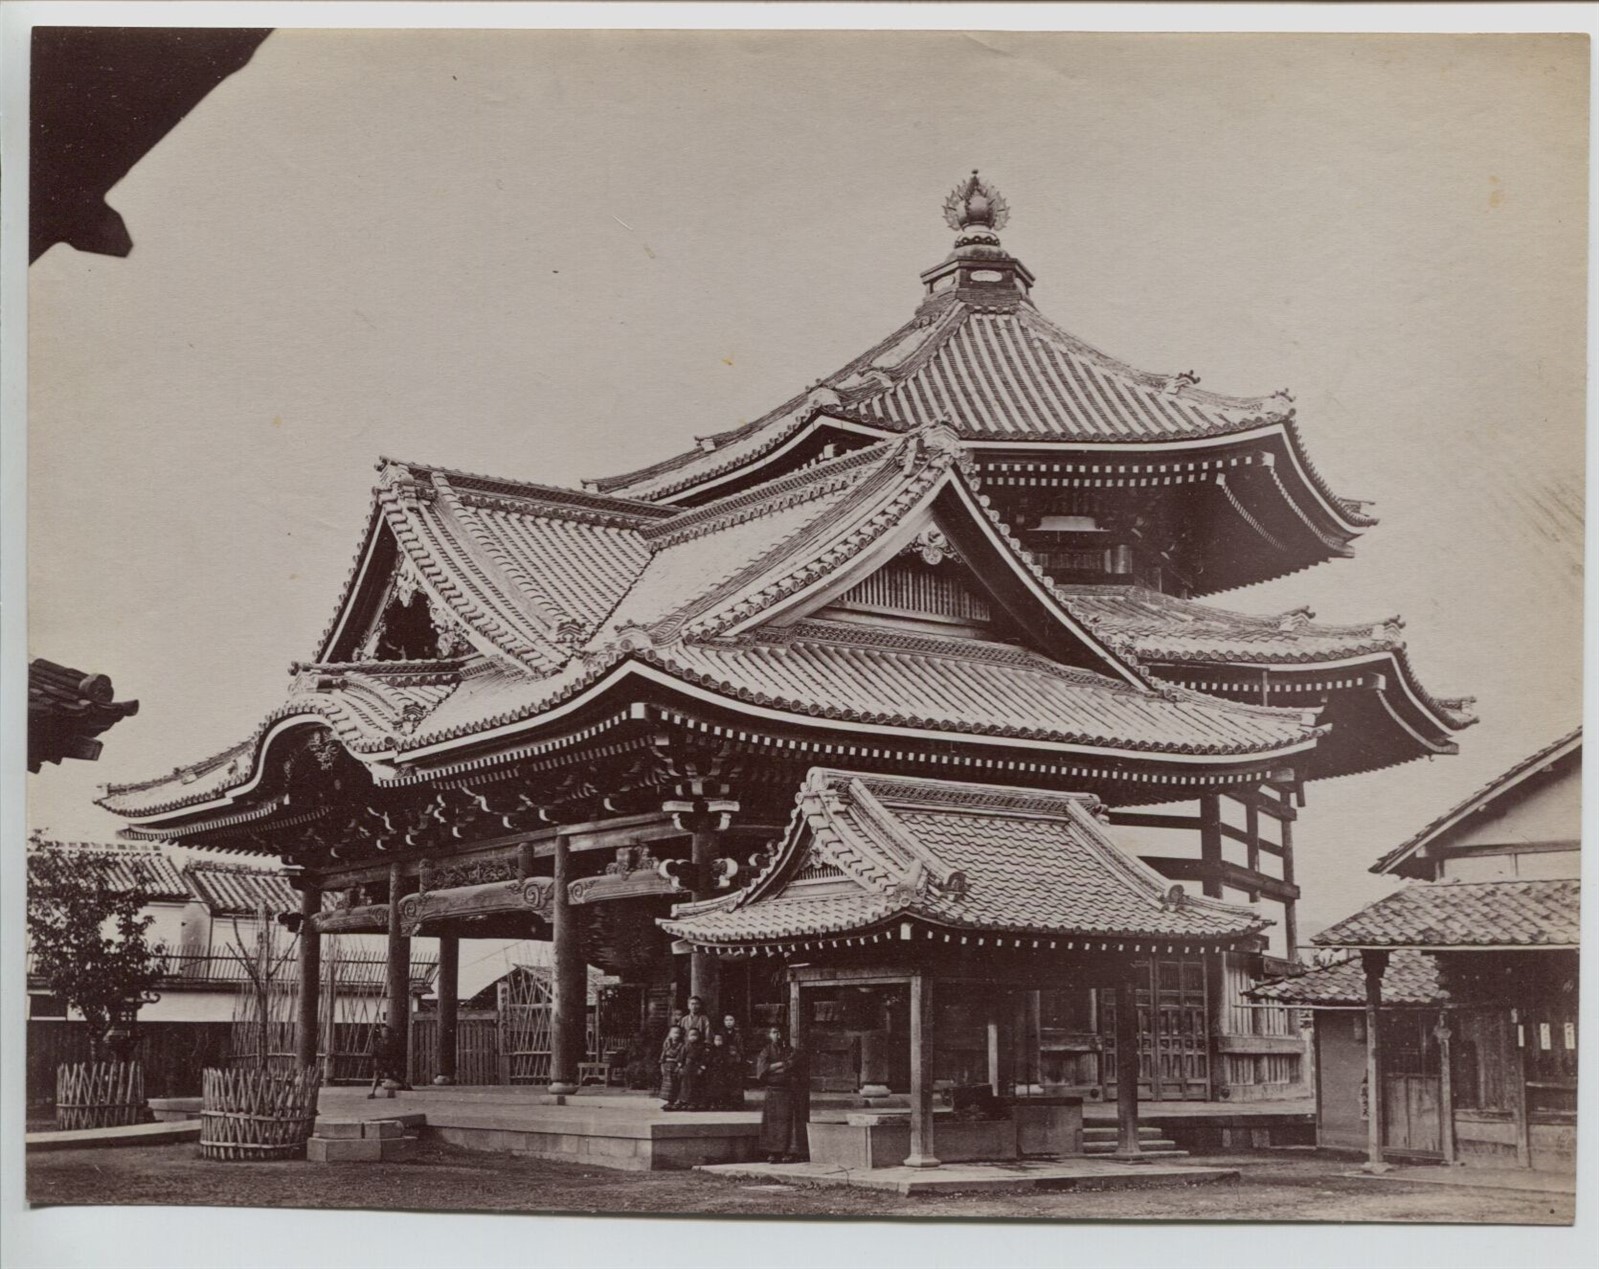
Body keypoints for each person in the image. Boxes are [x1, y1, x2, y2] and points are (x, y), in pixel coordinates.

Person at [755, 1026, 810, 1163]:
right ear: (770, 1035)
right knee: (773, 1122)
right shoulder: (766, 1051)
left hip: (788, 1092)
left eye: (780, 1033)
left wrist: (772, 1068)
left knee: (787, 1123)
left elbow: (791, 1067)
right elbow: (762, 1070)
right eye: (774, 1032)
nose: (777, 1035)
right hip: (773, 1092)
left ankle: (787, 1151)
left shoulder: (792, 1051)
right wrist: (780, 1065)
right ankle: (773, 1152)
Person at [366, 1023, 411, 1099]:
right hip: (381, 1062)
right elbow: (375, 1054)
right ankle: (372, 1092)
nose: (384, 1033)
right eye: (383, 1031)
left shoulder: (393, 1043)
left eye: (386, 1031)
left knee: (396, 1074)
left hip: (391, 1063)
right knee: (377, 1076)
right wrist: (377, 1064)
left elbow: (396, 1055)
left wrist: (392, 1064)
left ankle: (406, 1084)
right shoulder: (378, 1043)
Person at [675, 1029, 710, 1111]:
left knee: (696, 1085)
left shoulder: (701, 1047)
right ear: (687, 1036)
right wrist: (680, 1067)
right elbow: (681, 1057)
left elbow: (704, 1058)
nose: (693, 1037)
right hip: (687, 1068)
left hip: (696, 1068)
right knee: (685, 1085)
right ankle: (684, 1101)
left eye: (695, 1035)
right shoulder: (685, 1046)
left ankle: (694, 1102)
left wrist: (701, 1068)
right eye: (691, 1035)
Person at [717, 1015, 746, 1109]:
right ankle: (725, 1101)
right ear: (723, 1022)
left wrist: (738, 1056)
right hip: (724, 1057)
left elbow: (741, 1047)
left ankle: (736, 1101)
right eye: (726, 1020)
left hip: (735, 1058)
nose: (729, 1022)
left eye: (731, 1020)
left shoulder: (738, 1033)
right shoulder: (720, 1033)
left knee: (736, 1078)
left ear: (734, 1021)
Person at [658, 1025, 686, 1108]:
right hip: (667, 1065)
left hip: (676, 1065)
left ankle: (677, 1102)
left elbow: (681, 1056)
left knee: (676, 1083)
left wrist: (679, 1065)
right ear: (670, 1034)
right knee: (668, 1084)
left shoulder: (681, 1045)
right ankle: (670, 1102)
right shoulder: (667, 1043)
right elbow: (663, 1054)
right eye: (674, 1033)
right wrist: (662, 1064)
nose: (676, 1035)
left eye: (678, 1033)